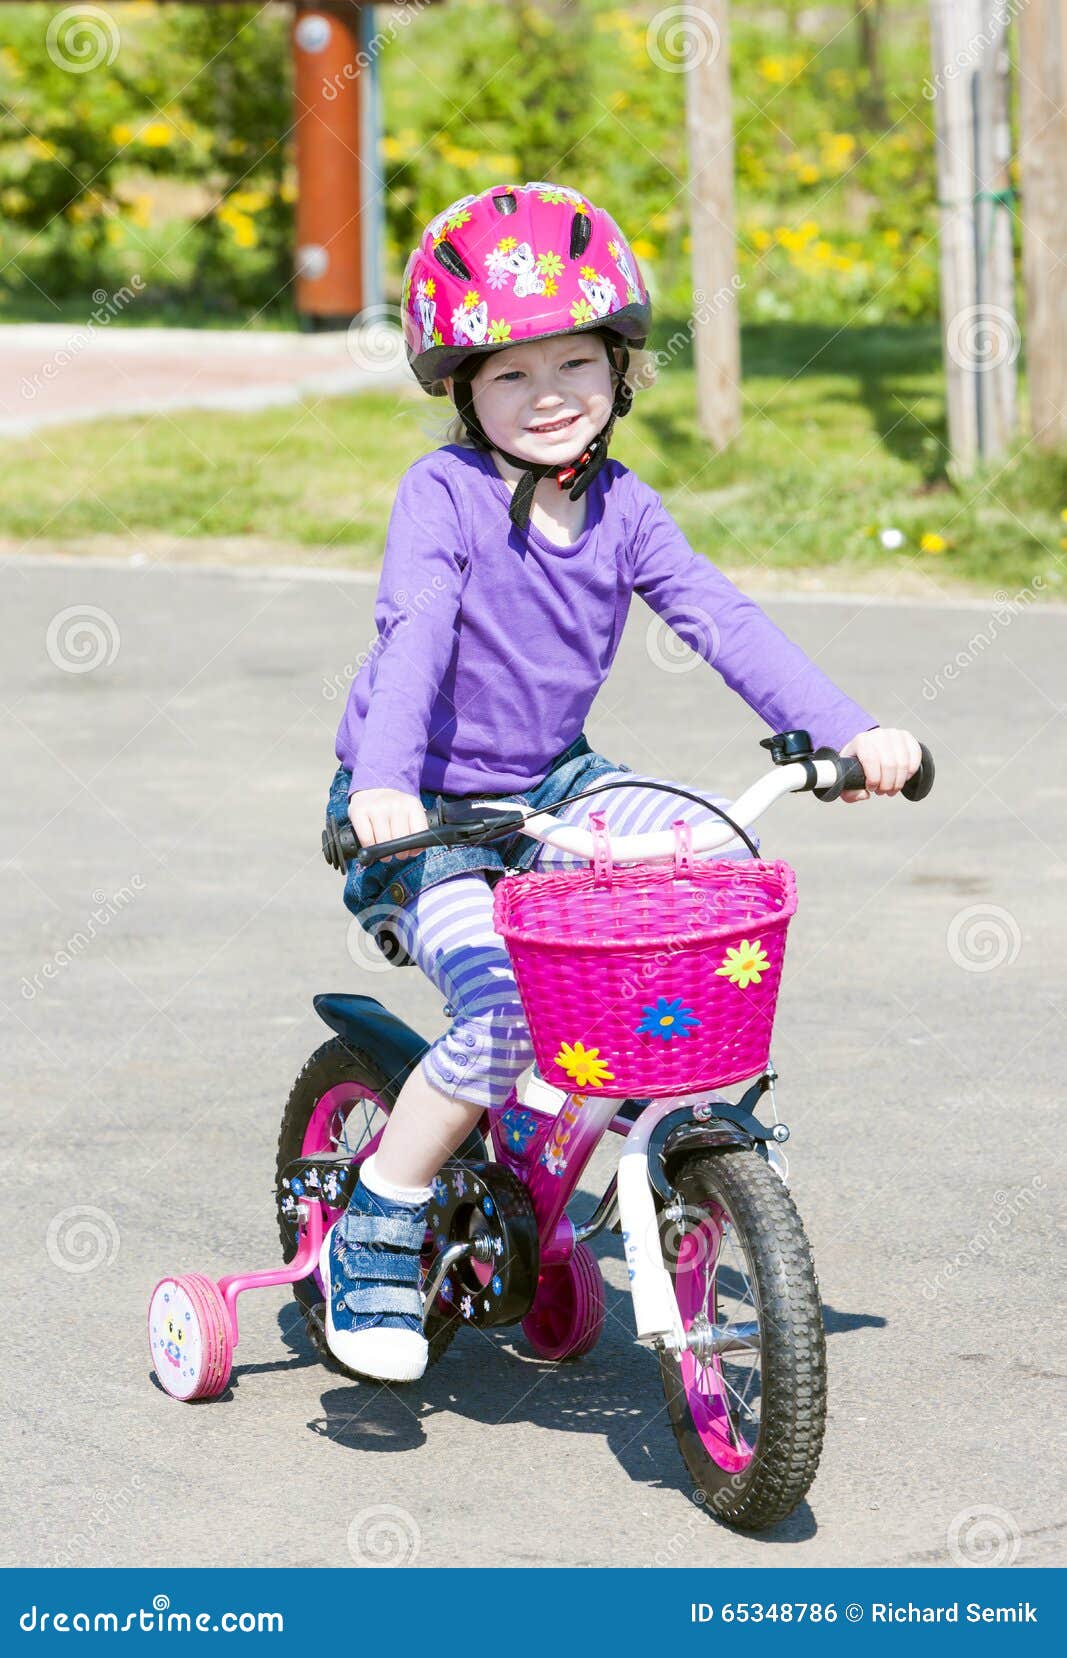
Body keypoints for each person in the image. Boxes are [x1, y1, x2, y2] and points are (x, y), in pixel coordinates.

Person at [321, 181, 922, 1383]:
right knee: (499, 1019)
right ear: (461, 389)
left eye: (575, 364)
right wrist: (384, 782)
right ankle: (380, 1215)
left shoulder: (624, 507)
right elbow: (414, 633)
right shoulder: (442, 497)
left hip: (550, 785)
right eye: (508, 373)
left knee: (696, 850)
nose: (547, 395)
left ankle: (626, 1147)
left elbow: (718, 617)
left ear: (620, 370)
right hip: (426, 816)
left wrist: (844, 733)